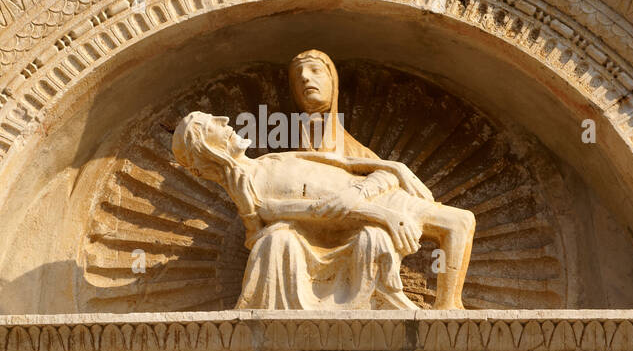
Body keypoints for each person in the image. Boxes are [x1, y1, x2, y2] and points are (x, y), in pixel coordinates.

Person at [172, 111, 475, 310]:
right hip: (365, 209)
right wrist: (383, 216)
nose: (225, 121)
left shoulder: (270, 160)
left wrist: (394, 168)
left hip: (370, 189)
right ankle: (447, 310)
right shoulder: (247, 188)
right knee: (458, 222)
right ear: (204, 149)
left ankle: (449, 305)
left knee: (461, 222)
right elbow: (315, 212)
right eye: (212, 123)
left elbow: (343, 164)